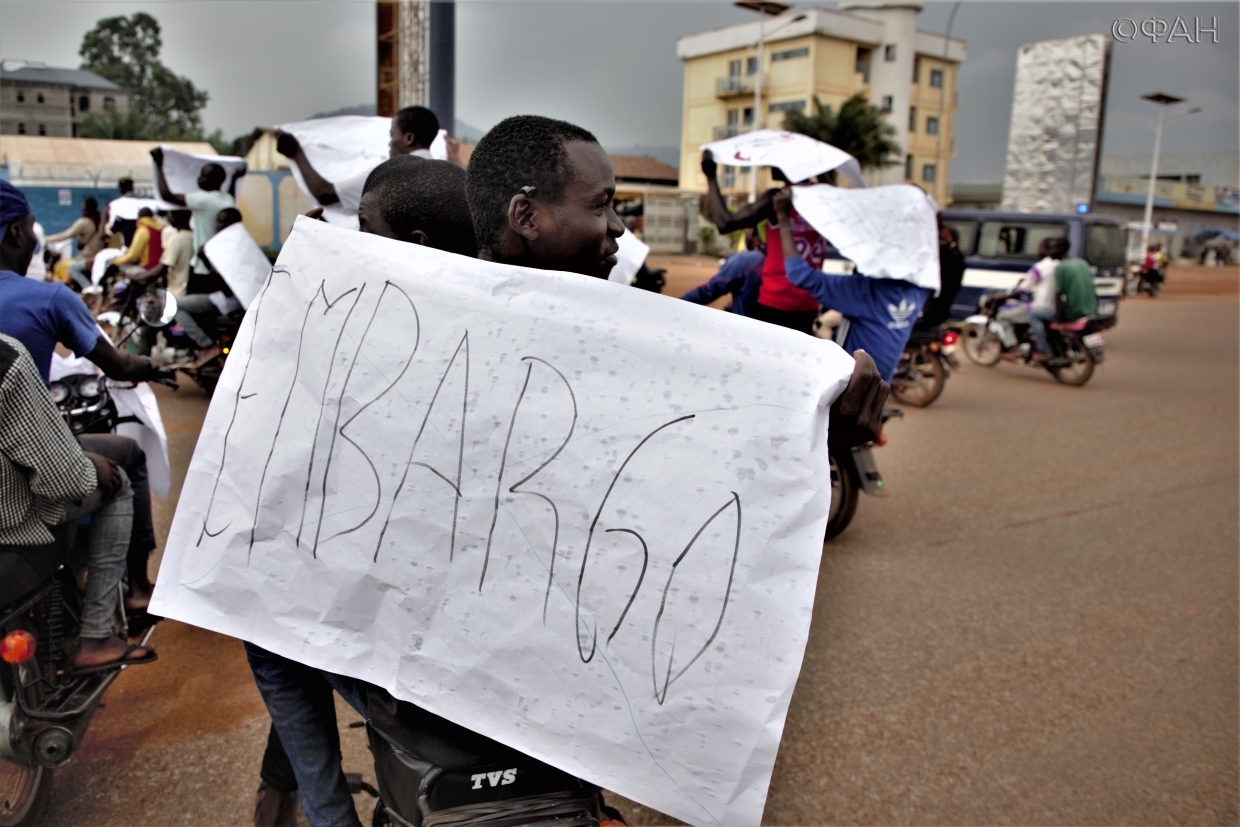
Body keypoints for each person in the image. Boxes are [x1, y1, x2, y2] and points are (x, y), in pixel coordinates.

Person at [0, 181, 166, 610]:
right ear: (16, 233)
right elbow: (118, 365)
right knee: (124, 460)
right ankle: (132, 589)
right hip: (25, 455)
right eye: (31, 228)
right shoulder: (49, 297)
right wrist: (149, 364)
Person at [0, 333, 157, 671]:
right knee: (118, 478)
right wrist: (89, 467)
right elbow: (62, 480)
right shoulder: (7, 357)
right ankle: (99, 633)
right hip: (13, 532)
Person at [770, 188, 930, 383]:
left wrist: (783, 217)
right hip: (880, 389)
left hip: (852, 390)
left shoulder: (867, 293)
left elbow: (799, 274)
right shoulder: (920, 288)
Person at [699, 150, 826, 334]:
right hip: (809, 304)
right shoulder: (824, 196)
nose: (769, 166)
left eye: (776, 160)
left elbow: (724, 223)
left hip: (775, 302)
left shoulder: (777, 198)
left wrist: (710, 175)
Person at [274, 105, 441, 221]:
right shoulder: (444, 173)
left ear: (409, 138)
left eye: (392, 135)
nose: (390, 143)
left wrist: (296, 153)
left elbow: (324, 193)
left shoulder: (388, 173)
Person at [149, 150, 237, 294]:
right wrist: (233, 178)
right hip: (221, 266)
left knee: (192, 309)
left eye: (204, 175)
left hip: (203, 268)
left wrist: (160, 165)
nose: (199, 179)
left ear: (215, 180)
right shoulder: (228, 199)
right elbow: (230, 191)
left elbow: (167, 195)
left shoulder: (202, 199)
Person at [681, 229, 764, 317]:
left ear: (752, 230)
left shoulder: (745, 261)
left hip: (745, 326)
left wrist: (678, 303)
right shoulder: (775, 258)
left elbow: (709, 290)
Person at [917, 223, 966, 329]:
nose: (936, 242)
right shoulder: (938, 258)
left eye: (940, 238)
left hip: (935, 314)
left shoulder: (952, 260)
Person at [109, 206, 164, 271]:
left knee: (120, 271)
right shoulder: (160, 228)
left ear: (139, 217)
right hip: (160, 267)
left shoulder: (143, 231)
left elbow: (132, 256)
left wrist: (116, 261)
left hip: (147, 267)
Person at [1053, 249, 1098, 324]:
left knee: (1037, 314)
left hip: (1076, 313)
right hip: (1092, 310)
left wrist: (1059, 320)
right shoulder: (1083, 263)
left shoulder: (1060, 267)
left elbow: (1058, 296)